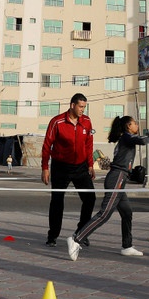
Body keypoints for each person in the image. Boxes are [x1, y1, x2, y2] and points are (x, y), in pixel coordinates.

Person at [67, 116, 149, 260]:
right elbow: (144, 140)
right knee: (104, 214)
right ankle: (76, 239)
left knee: (127, 213)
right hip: (117, 179)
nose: (137, 125)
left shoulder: (126, 139)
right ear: (128, 126)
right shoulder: (127, 137)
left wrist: (131, 173)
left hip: (120, 177)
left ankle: (127, 246)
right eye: (135, 123)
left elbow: (123, 161)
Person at [42, 93, 95, 247]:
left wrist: (90, 165)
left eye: (84, 107)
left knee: (90, 199)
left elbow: (88, 144)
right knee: (57, 202)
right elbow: (47, 146)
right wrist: (45, 168)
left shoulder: (86, 122)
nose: (82, 110)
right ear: (72, 105)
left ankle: (81, 233)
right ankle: (52, 236)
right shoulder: (56, 122)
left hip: (81, 167)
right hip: (60, 167)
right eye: (80, 106)